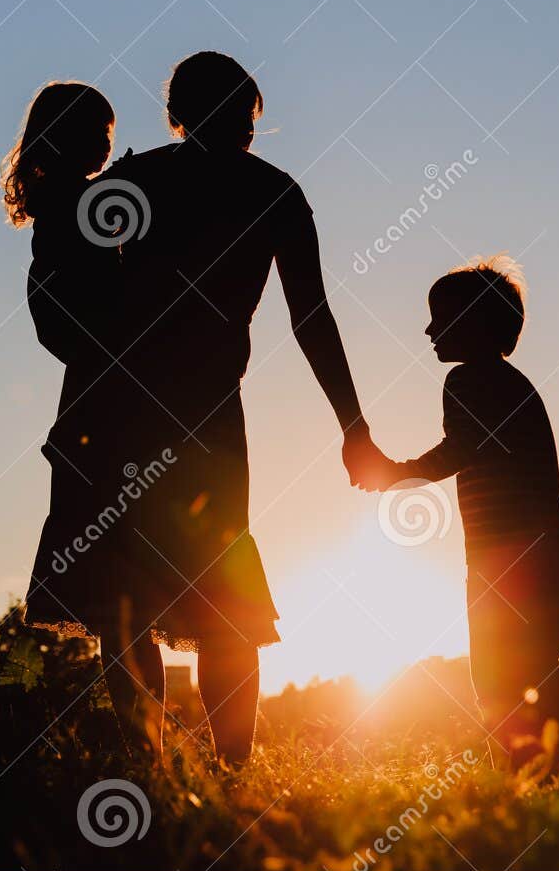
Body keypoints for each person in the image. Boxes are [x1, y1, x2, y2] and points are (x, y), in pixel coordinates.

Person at [80, 51, 380, 763]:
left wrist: (354, 426)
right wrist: (352, 425)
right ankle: (218, 765)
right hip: (190, 416)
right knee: (215, 600)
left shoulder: (142, 179)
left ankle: (165, 766)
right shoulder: (266, 191)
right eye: (241, 113)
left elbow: (71, 284)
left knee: (141, 601)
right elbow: (313, 318)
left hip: (147, 413)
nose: (242, 127)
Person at [360, 256, 559, 776]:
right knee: (536, 667)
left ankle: (522, 780)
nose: (429, 329)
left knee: (498, 674)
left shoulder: (468, 381)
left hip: (508, 560)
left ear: (475, 324)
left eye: (441, 317)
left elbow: (463, 447)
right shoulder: (510, 383)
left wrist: (394, 473)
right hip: (541, 552)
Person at [2, 81, 164, 754]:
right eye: (95, 126)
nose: (105, 138)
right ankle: (147, 741)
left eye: (109, 126)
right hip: (116, 407)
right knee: (130, 593)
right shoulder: (86, 208)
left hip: (99, 404)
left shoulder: (66, 211)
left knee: (117, 597)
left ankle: (144, 741)